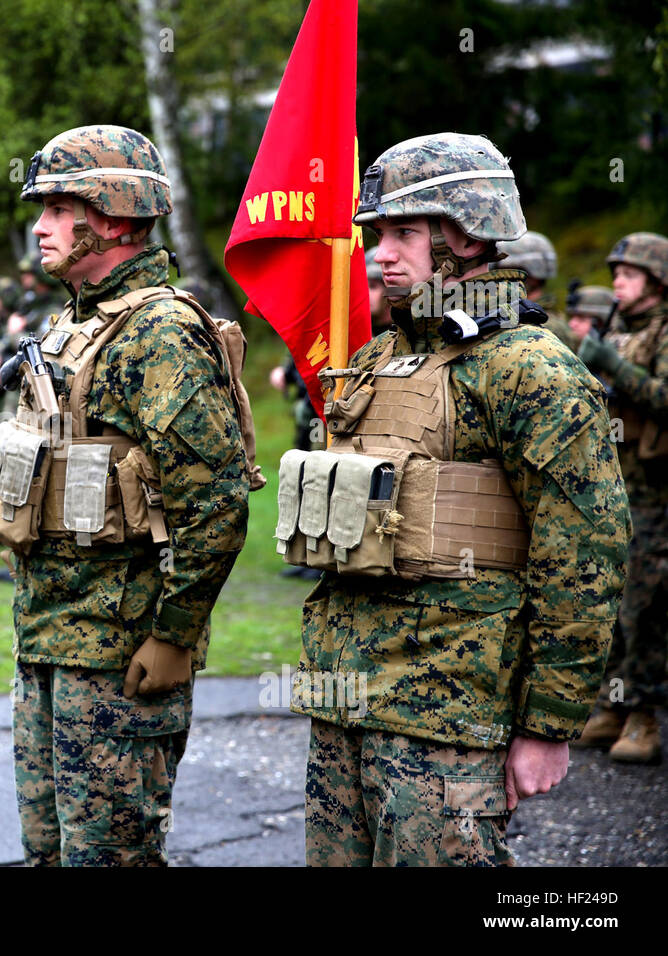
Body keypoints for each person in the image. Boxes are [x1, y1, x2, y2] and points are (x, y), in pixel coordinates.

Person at [282, 132, 630, 866]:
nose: (381, 253)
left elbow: (586, 555)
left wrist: (549, 723)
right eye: (376, 234)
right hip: (345, 698)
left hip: (449, 711)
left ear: (470, 232)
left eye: (404, 233)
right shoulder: (377, 359)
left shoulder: (528, 369)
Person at [0, 124, 252, 865]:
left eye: (55, 208)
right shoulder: (75, 324)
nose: (39, 226)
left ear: (111, 215)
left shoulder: (160, 332)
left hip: (117, 653)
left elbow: (215, 502)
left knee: (112, 857)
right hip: (49, 640)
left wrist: (173, 636)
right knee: (49, 853)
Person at [576, 232, 668, 763]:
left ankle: (644, 716)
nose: (617, 282)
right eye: (615, 274)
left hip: (655, 493)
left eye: (628, 274)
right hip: (616, 485)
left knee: (646, 606)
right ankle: (612, 704)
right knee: (609, 599)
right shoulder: (622, 329)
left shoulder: (662, 333)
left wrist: (613, 365)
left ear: (656, 282)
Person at [497, 230, 577, 350]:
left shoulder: (542, 324)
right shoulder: (528, 317)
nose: (500, 279)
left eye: (508, 271)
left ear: (532, 276)